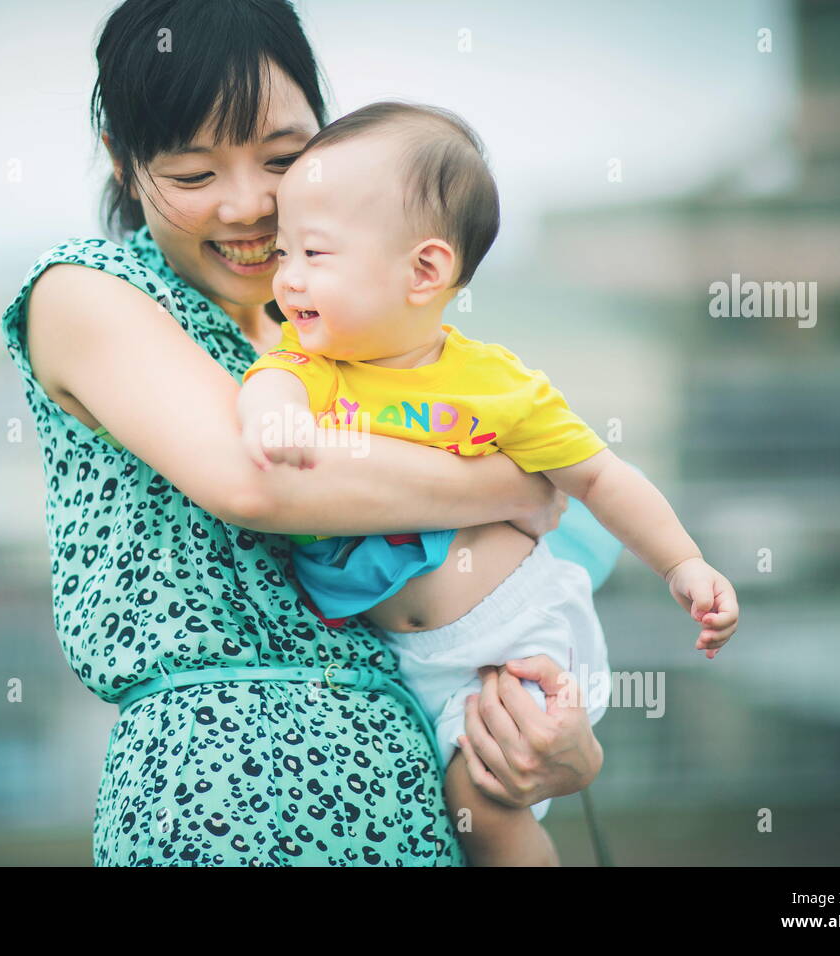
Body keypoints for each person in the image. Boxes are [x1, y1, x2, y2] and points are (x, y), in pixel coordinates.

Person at [2, 0, 604, 866]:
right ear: (125, 165)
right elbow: (260, 483)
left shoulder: (335, 329)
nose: (249, 205)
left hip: (407, 799)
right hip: (216, 800)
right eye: (193, 173)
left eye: (282, 158)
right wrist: (522, 483)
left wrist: (559, 749)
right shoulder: (86, 292)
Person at [237, 101, 741, 865]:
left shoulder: (497, 387)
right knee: (448, 811)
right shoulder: (306, 372)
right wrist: (276, 427)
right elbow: (264, 393)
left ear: (426, 270)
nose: (288, 278)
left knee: (486, 803)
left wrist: (683, 563)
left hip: (520, 639)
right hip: (415, 669)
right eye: (283, 254)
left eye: (314, 254)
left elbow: (600, 476)